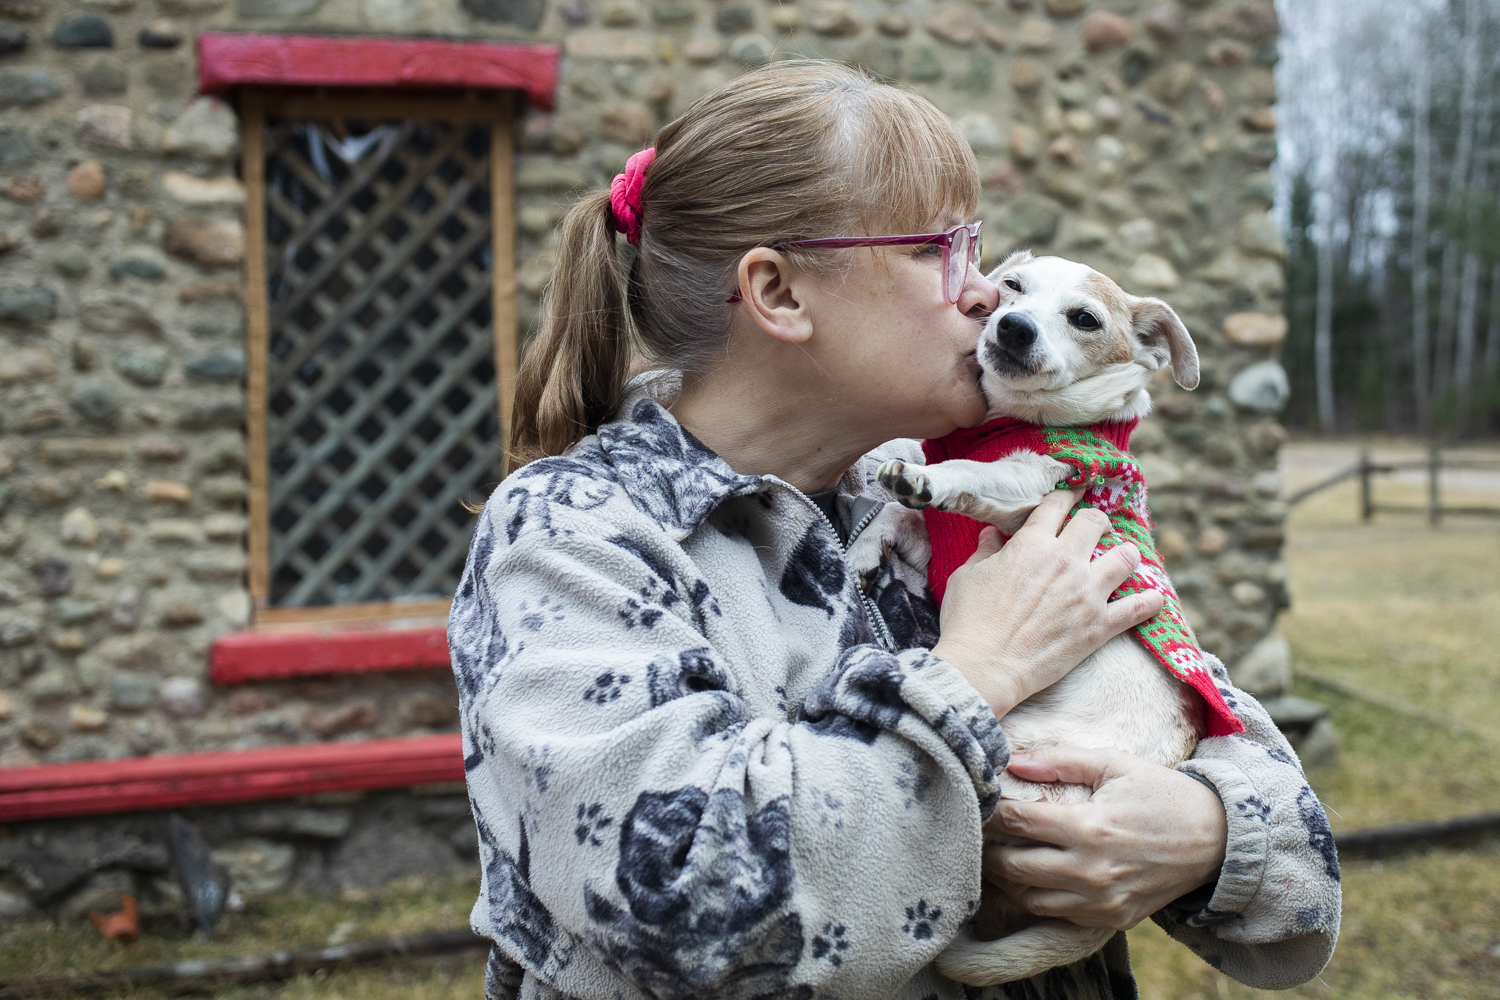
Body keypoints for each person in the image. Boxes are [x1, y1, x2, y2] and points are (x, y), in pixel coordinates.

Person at [449, 61, 1340, 1000]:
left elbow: (1281, 829)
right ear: (779, 294)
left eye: (977, 246)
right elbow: (682, 901)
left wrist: (1202, 832)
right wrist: (983, 671)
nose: (987, 292)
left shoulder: (935, 495)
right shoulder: (575, 536)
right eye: (937, 251)